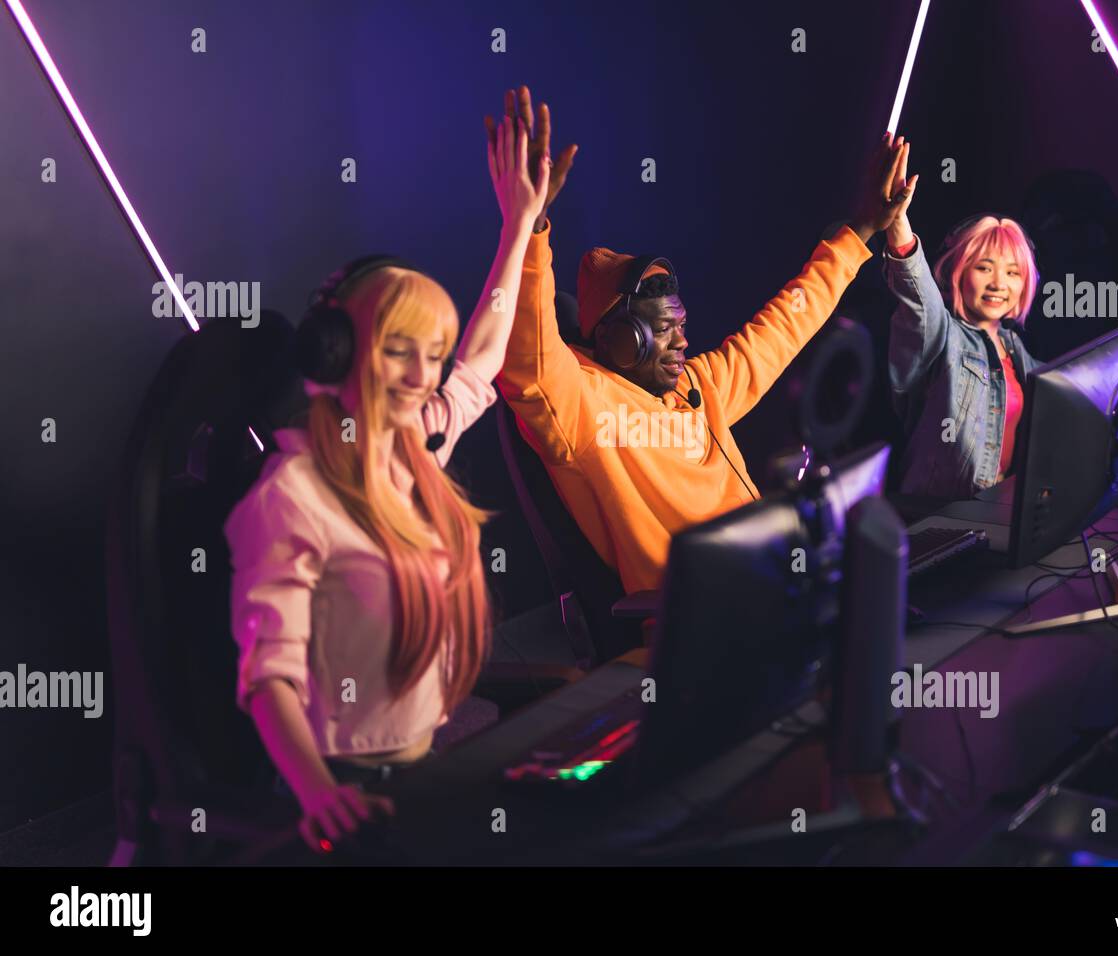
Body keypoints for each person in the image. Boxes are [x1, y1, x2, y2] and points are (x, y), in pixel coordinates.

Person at [223, 107, 550, 853]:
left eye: (429, 354)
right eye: (399, 350)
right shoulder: (291, 498)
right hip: (342, 788)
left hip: (419, 766)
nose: (421, 375)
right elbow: (266, 673)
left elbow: (484, 356)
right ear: (336, 354)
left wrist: (519, 223)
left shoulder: (417, 445)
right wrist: (319, 795)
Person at [495, 85, 915, 596]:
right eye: (664, 329)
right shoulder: (581, 405)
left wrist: (861, 229)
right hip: (703, 624)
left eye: (681, 324)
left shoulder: (700, 385)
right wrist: (529, 224)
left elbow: (786, 323)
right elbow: (527, 357)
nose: (682, 341)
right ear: (620, 340)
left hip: (777, 586)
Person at [881, 137, 1041, 500]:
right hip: (941, 523)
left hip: (1000, 514)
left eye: (1013, 273)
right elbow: (919, 299)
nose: (1000, 283)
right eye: (985, 268)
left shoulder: (1016, 350)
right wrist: (898, 223)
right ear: (958, 272)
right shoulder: (943, 337)